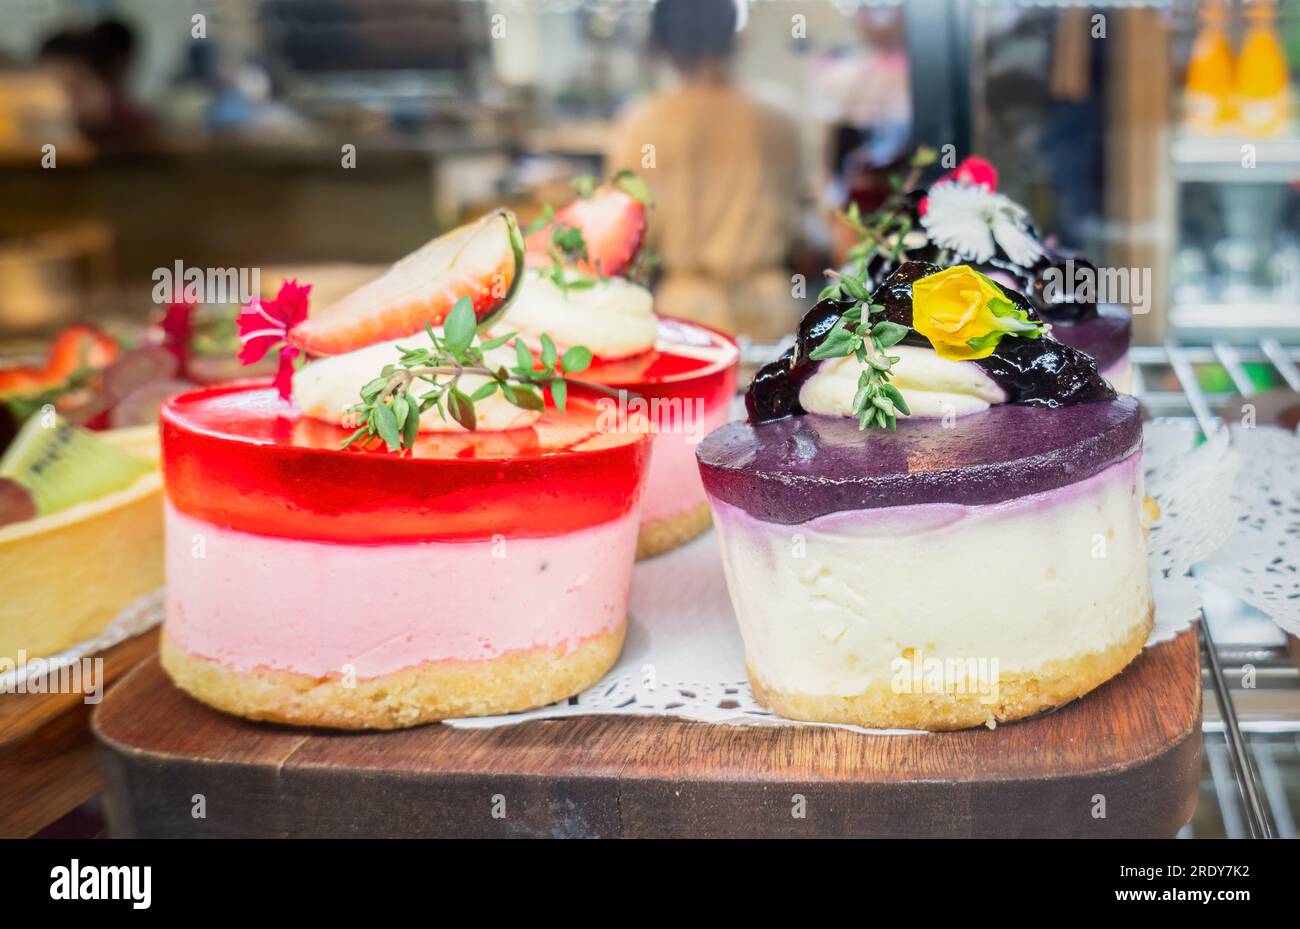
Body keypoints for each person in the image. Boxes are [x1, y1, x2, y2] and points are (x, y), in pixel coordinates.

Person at [606, 0, 803, 340]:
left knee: (694, 396)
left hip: (685, 313)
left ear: (663, 42)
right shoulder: (779, 119)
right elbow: (803, 225)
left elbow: (625, 237)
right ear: (735, 35)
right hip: (771, 308)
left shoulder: (644, 121)